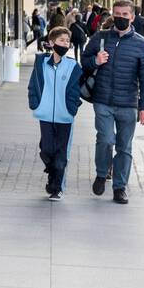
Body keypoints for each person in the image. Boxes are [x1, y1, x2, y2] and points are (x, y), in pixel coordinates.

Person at [80, 0, 144, 205]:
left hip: (129, 104)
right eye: (117, 14)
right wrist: (95, 61)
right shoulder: (100, 37)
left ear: (132, 17)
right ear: (112, 15)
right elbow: (84, 61)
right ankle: (101, 173)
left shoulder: (142, 44)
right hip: (103, 100)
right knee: (105, 139)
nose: (120, 18)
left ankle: (120, 187)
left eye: (125, 14)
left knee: (124, 147)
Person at [28, 26, 83, 200]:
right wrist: (35, 104)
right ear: (52, 43)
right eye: (61, 40)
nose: (65, 44)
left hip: (64, 117)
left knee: (60, 153)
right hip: (44, 115)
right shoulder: (41, 63)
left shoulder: (73, 66)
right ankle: (52, 171)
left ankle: (56, 187)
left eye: (67, 41)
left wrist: (71, 108)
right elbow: (32, 85)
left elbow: (76, 91)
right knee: (46, 149)